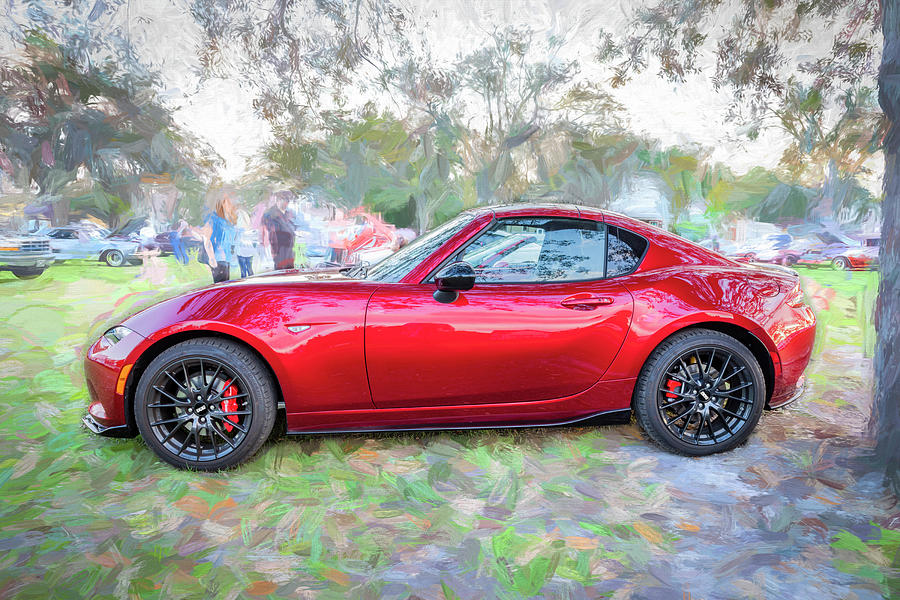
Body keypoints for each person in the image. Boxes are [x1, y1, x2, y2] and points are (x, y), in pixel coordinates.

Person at [199, 191, 237, 283]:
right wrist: (212, 258)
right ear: (221, 204)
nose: (230, 204)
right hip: (219, 259)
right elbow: (206, 238)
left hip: (226, 258)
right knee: (222, 285)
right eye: (226, 201)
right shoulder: (213, 218)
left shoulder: (227, 220)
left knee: (226, 284)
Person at [263, 190, 296, 270]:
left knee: (290, 270)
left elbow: (291, 227)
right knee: (281, 270)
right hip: (279, 248)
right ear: (278, 200)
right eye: (285, 200)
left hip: (289, 248)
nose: (287, 203)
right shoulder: (270, 214)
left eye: (288, 200)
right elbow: (273, 230)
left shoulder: (287, 213)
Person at [235, 210, 257, 278]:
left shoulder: (237, 230)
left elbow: (235, 240)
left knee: (244, 271)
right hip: (247, 252)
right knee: (249, 269)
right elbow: (254, 241)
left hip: (242, 252)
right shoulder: (250, 229)